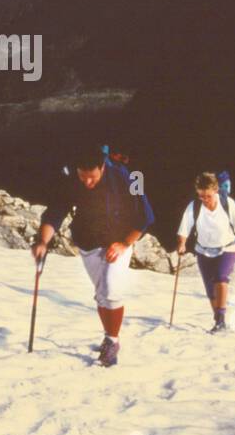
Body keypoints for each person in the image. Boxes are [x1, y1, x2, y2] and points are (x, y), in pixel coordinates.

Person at [32, 146, 154, 367]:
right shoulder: (70, 177)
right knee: (101, 294)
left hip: (118, 241)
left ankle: (112, 341)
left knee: (111, 290)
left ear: (103, 167)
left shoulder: (130, 176)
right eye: (83, 177)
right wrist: (43, 241)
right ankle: (109, 336)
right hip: (88, 242)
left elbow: (145, 216)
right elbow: (56, 211)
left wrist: (124, 244)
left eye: (92, 177)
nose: (87, 182)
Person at [175, 171, 235, 333]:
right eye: (201, 196)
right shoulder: (194, 206)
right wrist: (182, 244)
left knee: (221, 278)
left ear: (215, 190)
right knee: (210, 290)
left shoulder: (228, 204)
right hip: (203, 250)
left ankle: (221, 320)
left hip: (227, 247)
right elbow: (184, 229)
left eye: (207, 196)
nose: (204, 200)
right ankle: (218, 319)